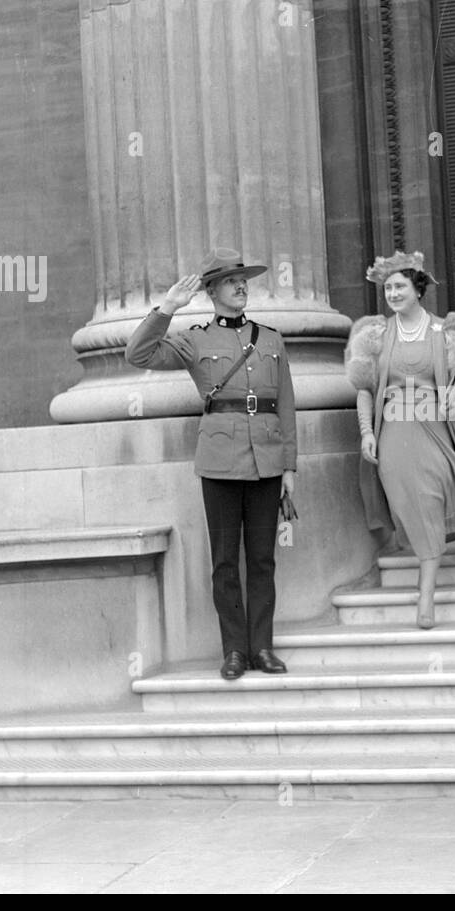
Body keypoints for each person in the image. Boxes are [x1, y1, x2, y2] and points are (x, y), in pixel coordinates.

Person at [125, 249, 296, 680]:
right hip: (220, 462)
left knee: (262, 560)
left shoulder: (271, 339)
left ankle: (262, 648)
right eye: (231, 281)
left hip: (268, 461)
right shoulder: (196, 338)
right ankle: (234, 651)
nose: (242, 286)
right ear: (212, 291)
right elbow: (137, 354)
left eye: (244, 280)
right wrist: (167, 308)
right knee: (224, 562)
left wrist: (290, 467)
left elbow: (287, 406)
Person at [346, 251, 455, 628]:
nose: (393, 293)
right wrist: (367, 433)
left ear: (418, 289)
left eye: (400, 285)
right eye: (387, 288)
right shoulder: (374, 334)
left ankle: (426, 593)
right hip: (393, 431)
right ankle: (426, 578)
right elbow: (364, 390)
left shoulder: (447, 331)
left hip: (436, 427)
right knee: (409, 503)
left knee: (430, 499)